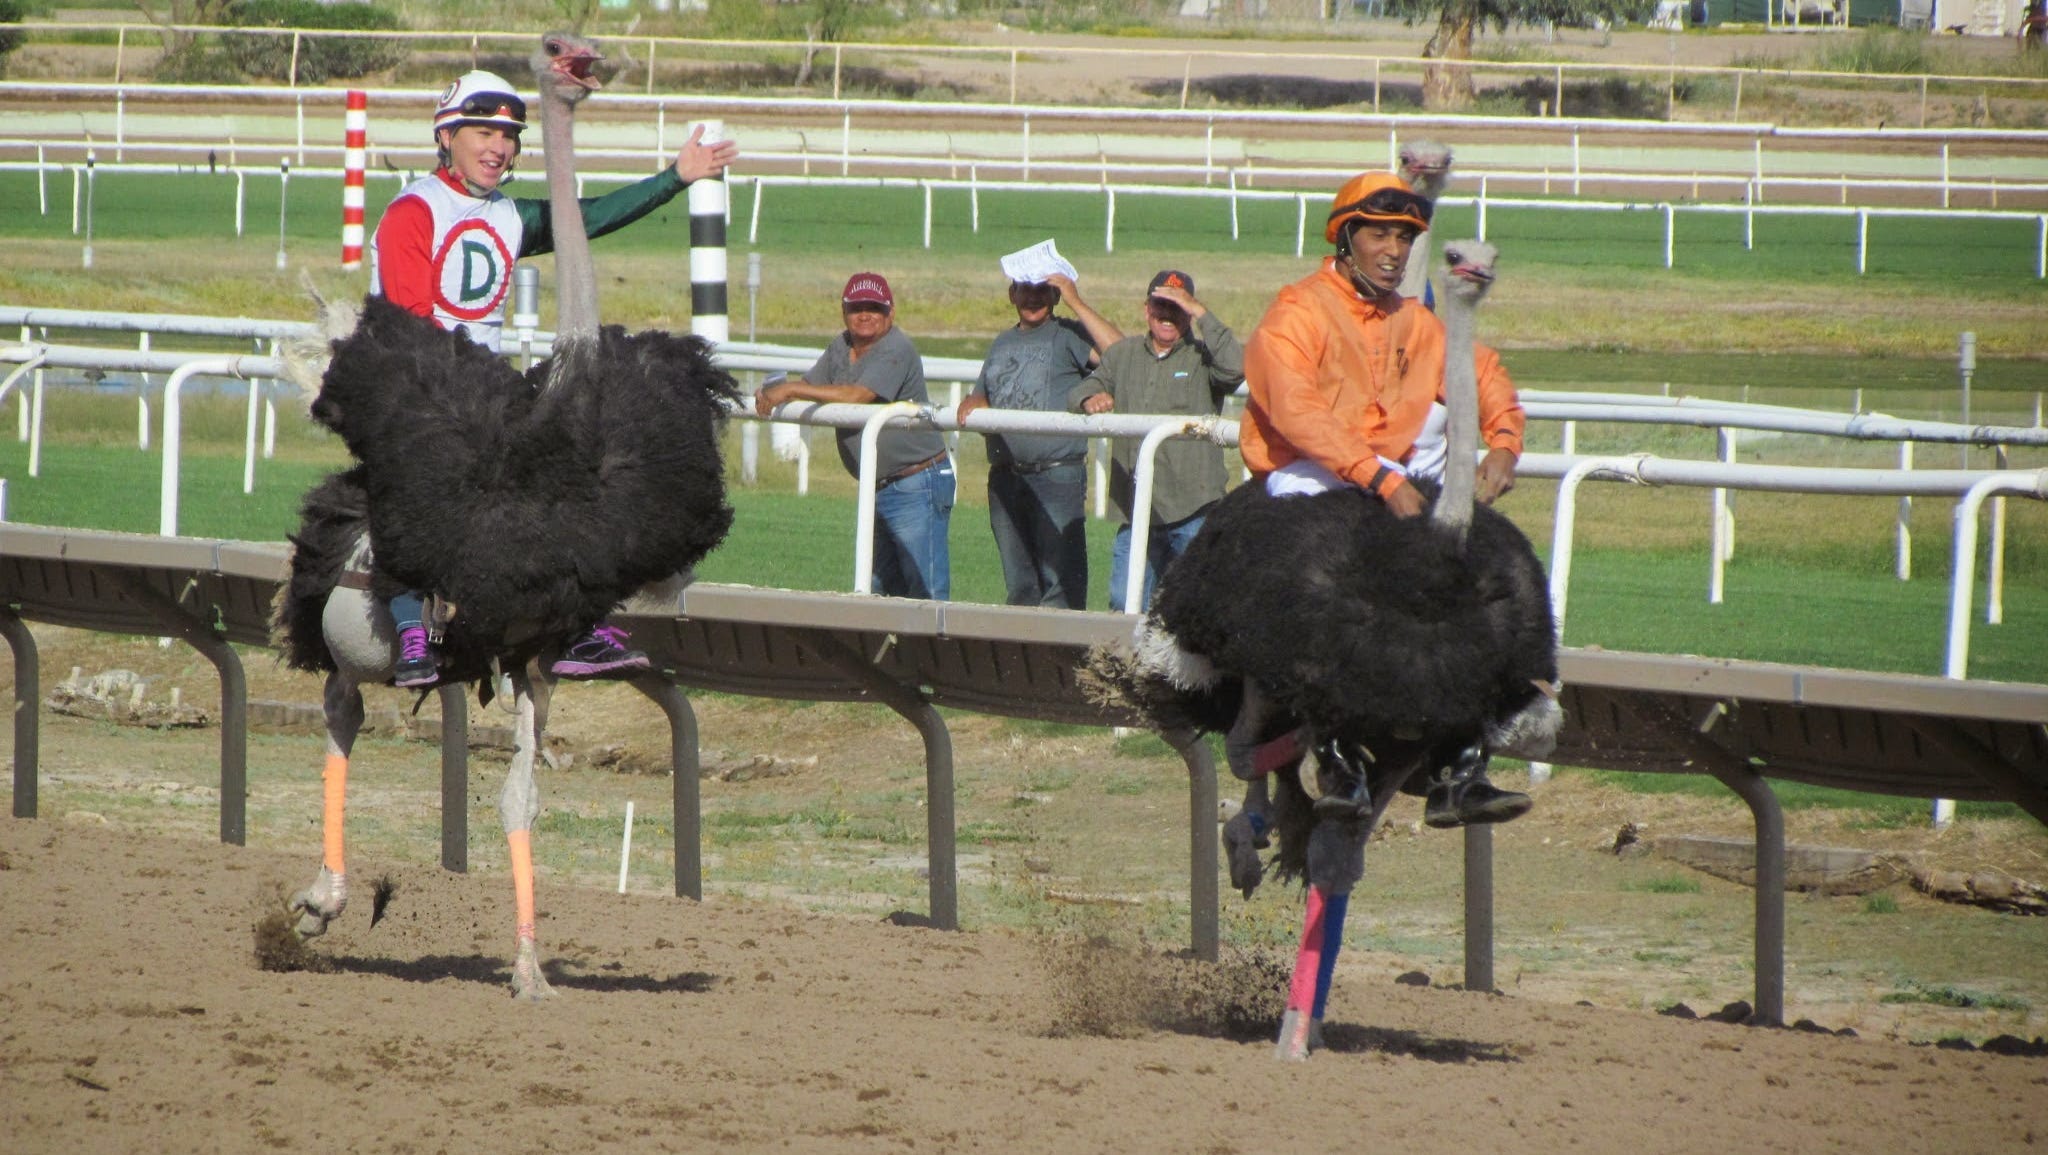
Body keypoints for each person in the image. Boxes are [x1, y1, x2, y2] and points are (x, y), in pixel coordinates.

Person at [369, 69, 739, 687]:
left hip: (488, 389)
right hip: (415, 385)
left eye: (509, 137)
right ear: (447, 136)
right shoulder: (412, 211)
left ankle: (575, 625)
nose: (499, 147)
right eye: (484, 132)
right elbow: (412, 327)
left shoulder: (510, 216)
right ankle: (412, 627)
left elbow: (587, 217)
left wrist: (676, 178)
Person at [1232, 169, 1531, 835]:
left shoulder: (1414, 321)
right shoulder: (1297, 312)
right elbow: (1299, 411)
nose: (1393, 250)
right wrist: (1378, 479)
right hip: (1308, 471)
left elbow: (1483, 372)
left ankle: (1464, 758)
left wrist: (1505, 440)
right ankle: (1335, 751)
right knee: (1328, 576)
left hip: (1384, 474)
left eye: (1403, 236)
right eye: (1379, 235)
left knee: (1472, 562)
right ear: (1345, 240)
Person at [755, 272, 954, 599]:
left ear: (891, 313)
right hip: (878, 486)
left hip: (917, 482)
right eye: (856, 307)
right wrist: (775, 391)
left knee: (925, 593)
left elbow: (858, 395)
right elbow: (811, 387)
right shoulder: (841, 345)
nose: (864, 315)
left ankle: (934, 650)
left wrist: (789, 387)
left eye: (874, 308)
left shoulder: (897, 348)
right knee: (878, 591)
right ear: (843, 311)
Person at [1067, 269, 1244, 613]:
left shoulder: (1203, 358)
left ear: (1189, 314)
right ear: (1147, 309)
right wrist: (1090, 399)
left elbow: (1235, 368)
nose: (1167, 315)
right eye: (1161, 305)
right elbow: (1082, 389)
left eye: (1177, 307)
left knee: (1201, 606)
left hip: (1194, 510)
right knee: (1124, 602)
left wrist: (1201, 312)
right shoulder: (1123, 355)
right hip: (1138, 513)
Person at [956, 270, 1122, 610]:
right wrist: (973, 403)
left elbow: (1123, 358)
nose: (1032, 298)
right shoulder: (1002, 342)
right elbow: (982, 396)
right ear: (1011, 294)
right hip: (1006, 476)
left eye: (1042, 291)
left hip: (1056, 474)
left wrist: (1077, 302)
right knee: (1020, 587)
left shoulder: (1068, 334)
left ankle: (1059, 660)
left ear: (1055, 296)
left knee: (1061, 586)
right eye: (1025, 290)